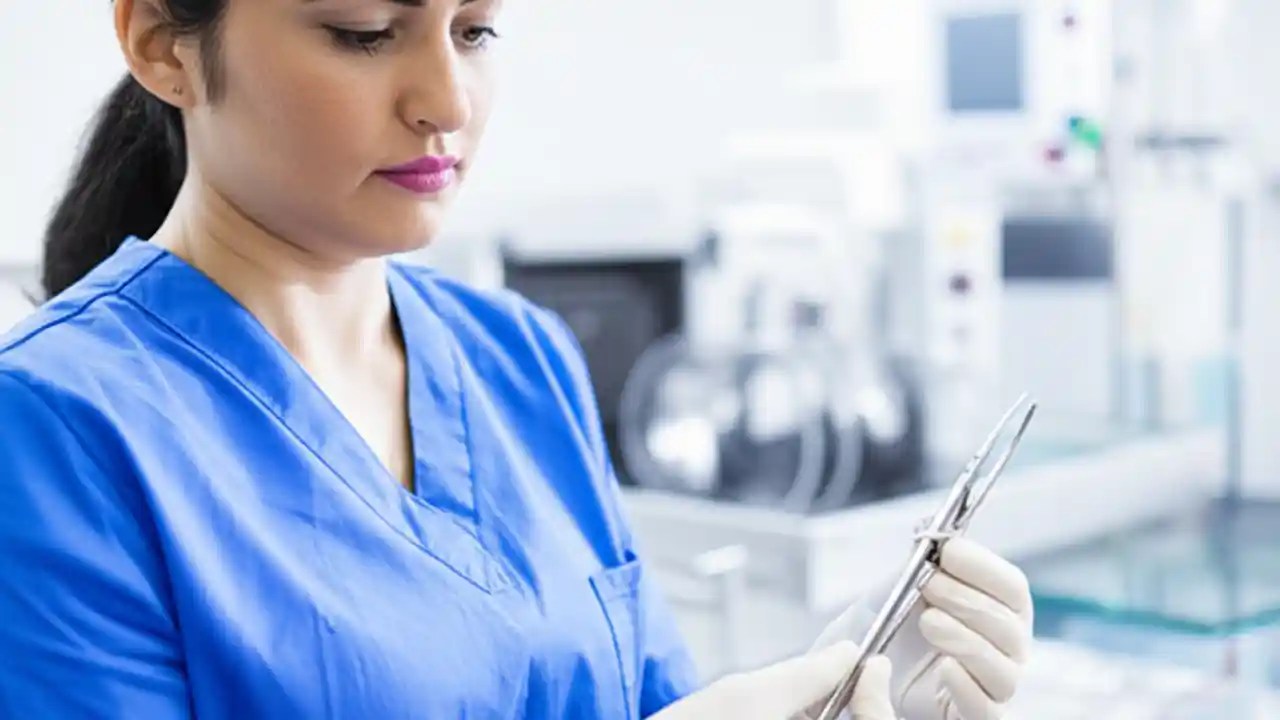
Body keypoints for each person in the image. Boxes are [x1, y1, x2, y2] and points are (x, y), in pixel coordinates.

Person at [0, 0, 1033, 717]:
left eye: (474, 31)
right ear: (162, 46)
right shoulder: (51, 429)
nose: (447, 102)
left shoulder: (520, 360)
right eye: (366, 34)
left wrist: (848, 686)